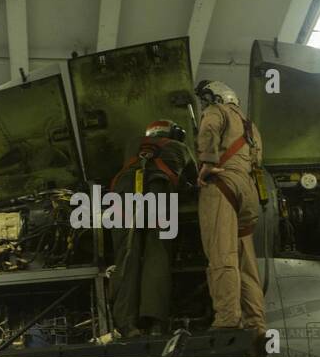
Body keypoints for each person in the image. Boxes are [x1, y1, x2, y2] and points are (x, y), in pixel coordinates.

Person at [193, 80, 266, 342]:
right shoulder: (250, 125)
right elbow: (257, 160)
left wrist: (207, 162)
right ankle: (256, 325)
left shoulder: (217, 111)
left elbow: (209, 128)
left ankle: (226, 321)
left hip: (222, 185)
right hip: (247, 192)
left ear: (215, 96)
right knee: (247, 264)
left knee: (222, 254)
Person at [109, 120, 195, 337]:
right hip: (158, 192)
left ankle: (126, 325)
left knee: (127, 256)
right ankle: (155, 323)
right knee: (157, 256)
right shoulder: (181, 148)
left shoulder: (132, 144)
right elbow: (195, 182)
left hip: (123, 197)